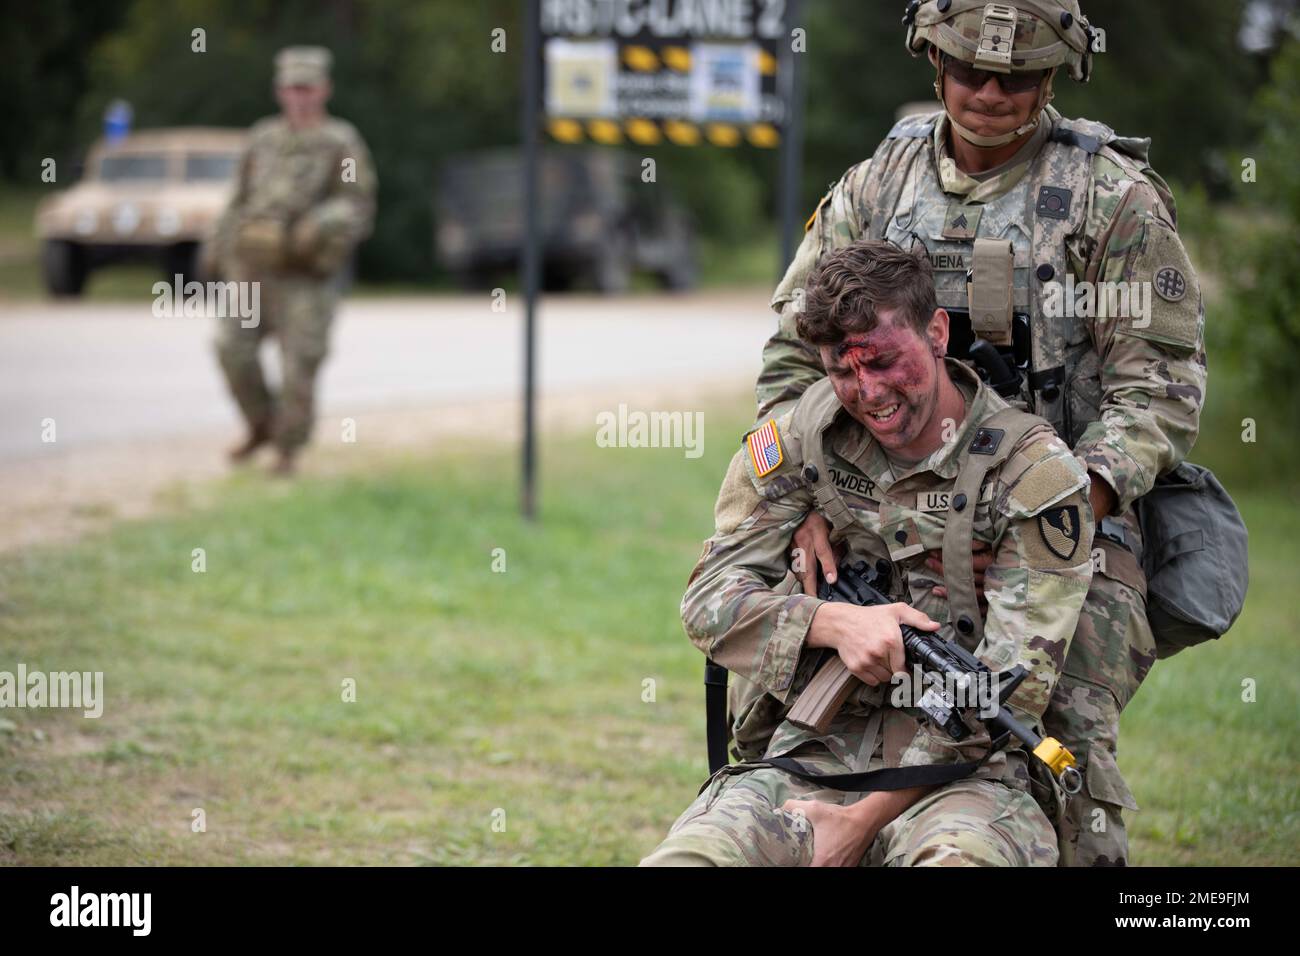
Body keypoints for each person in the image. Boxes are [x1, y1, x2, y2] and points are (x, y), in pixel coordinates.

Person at [741, 0, 1206, 865]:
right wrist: (801, 502)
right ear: (934, 64)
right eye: (971, 72)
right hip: (877, 511)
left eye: (1019, 77)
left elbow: (1161, 388)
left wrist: (1055, 513)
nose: (991, 93)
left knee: (1053, 717)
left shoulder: (1112, 199)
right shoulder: (877, 186)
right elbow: (790, 360)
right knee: (785, 685)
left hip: (1068, 518)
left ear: (1055, 76)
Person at [642, 241, 1093, 866]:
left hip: (962, 774)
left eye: (884, 362)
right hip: (812, 749)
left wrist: (860, 822)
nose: (869, 391)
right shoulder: (805, 437)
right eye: (842, 370)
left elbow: (1009, 693)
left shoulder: (1034, 476)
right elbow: (708, 600)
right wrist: (838, 623)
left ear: (938, 332)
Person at [208, 46, 377, 475]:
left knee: (300, 361)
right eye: (291, 88)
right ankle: (260, 425)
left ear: (324, 89)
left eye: (307, 87)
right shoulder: (262, 139)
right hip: (251, 269)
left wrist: (318, 224)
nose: (299, 96)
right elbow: (238, 198)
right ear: (279, 91)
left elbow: (357, 203)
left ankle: (287, 449)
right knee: (231, 349)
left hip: (304, 273)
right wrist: (219, 247)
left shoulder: (342, 142)